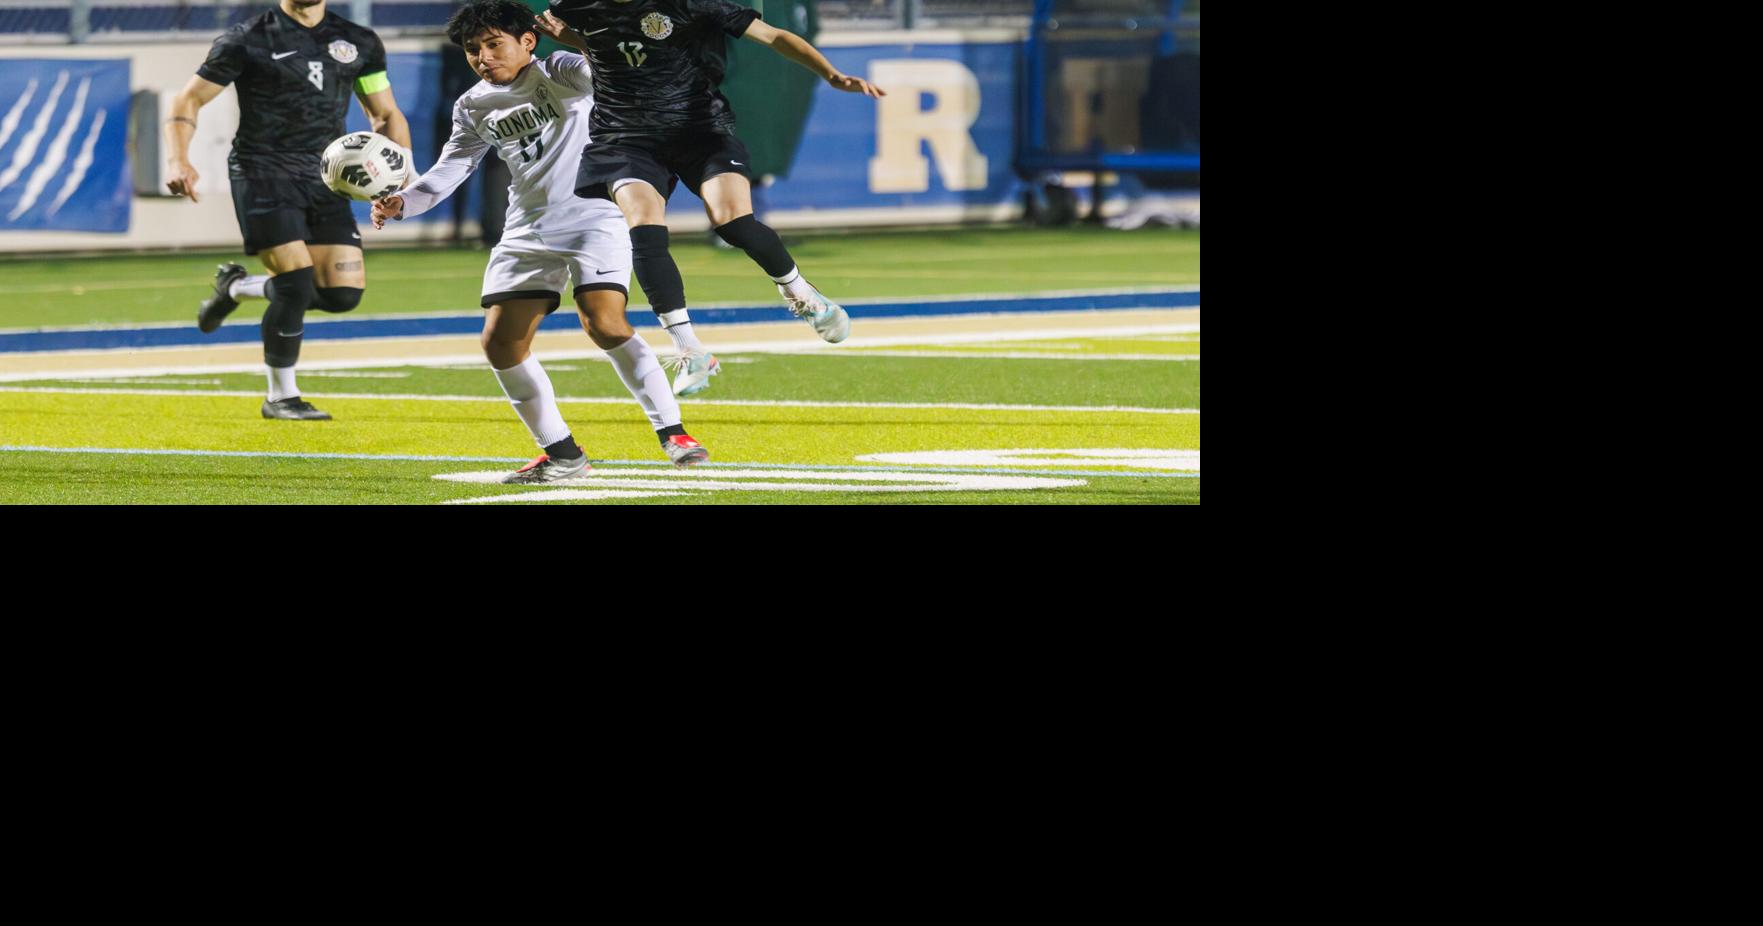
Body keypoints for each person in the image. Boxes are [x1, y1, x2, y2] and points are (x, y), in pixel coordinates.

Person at [371, 0, 710, 481]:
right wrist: (404, 201)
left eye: (493, 44)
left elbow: (617, 69)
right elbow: (453, 167)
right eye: (473, 50)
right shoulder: (473, 105)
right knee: (500, 342)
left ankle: (674, 434)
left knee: (604, 323)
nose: (483, 57)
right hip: (527, 226)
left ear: (527, 41)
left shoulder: (564, 70)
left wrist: (577, 37)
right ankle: (563, 454)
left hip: (596, 213)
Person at [537, 0, 884, 397]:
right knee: (645, 231)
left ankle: (801, 293)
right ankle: (690, 350)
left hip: (700, 130)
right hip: (625, 139)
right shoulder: (572, 8)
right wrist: (576, 39)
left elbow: (774, 36)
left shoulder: (689, 4)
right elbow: (616, 51)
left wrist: (832, 74)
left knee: (734, 223)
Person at [164, 0, 412, 420]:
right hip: (262, 172)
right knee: (295, 283)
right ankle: (281, 395)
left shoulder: (359, 41)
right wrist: (178, 160)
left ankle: (238, 288)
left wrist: (404, 169)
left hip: (329, 177)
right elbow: (188, 100)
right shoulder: (246, 39)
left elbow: (384, 113)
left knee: (341, 295)